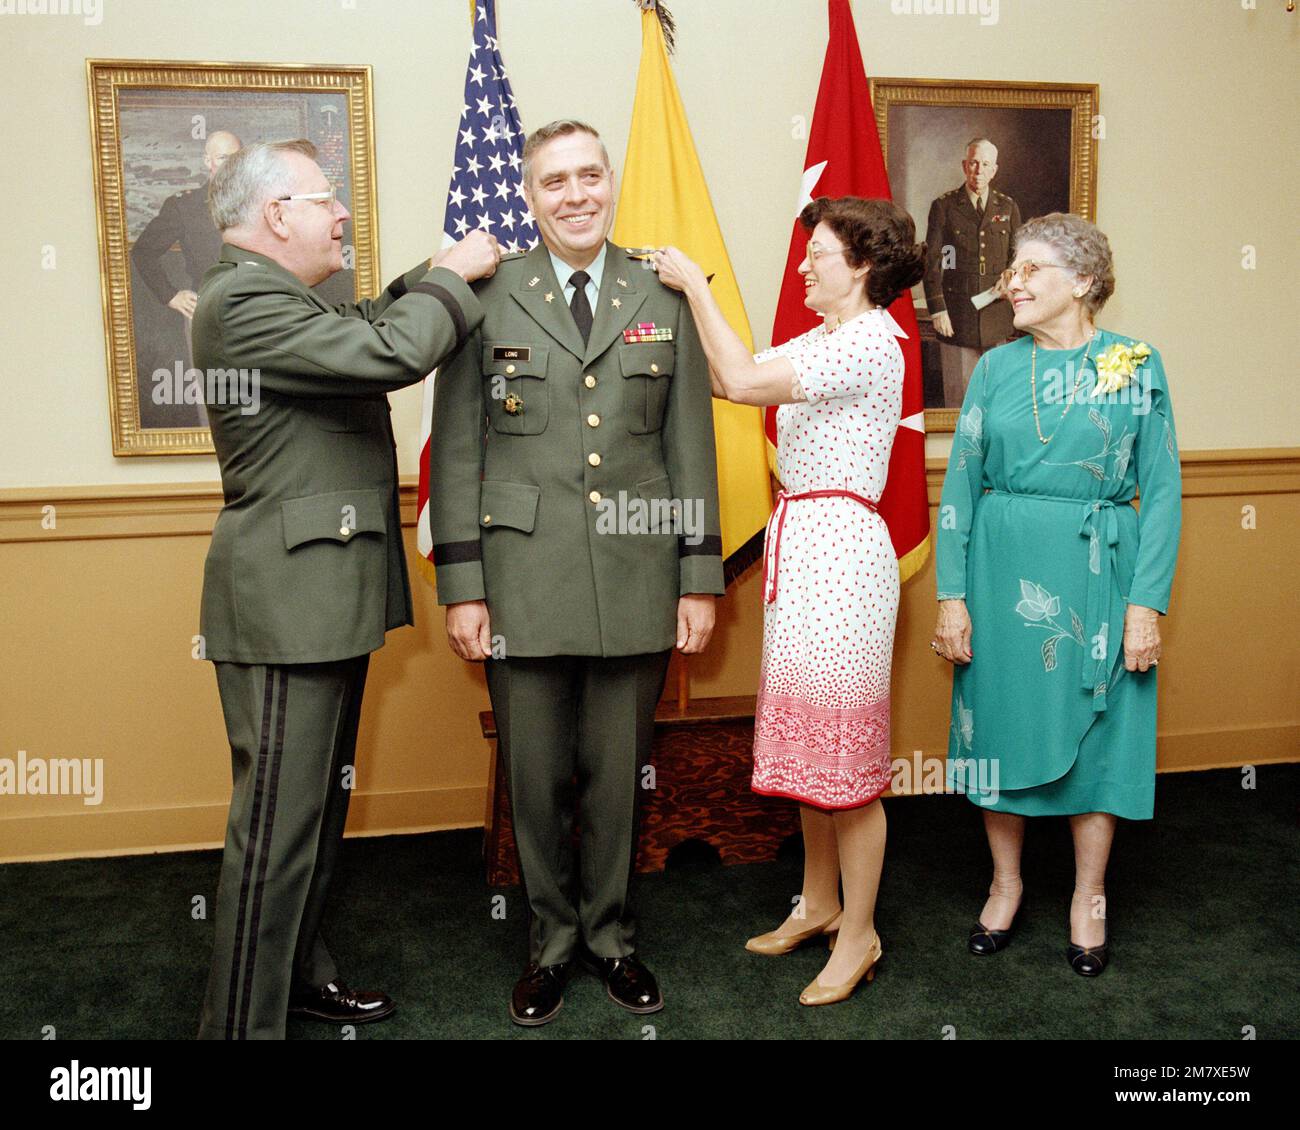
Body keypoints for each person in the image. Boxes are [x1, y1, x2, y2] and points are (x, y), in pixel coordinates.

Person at [192, 138, 500, 1039]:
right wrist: (450, 277)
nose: (341, 216)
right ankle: (241, 1028)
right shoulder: (240, 300)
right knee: (276, 836)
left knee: (313, 819)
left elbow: (367, 319)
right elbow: (388, 353)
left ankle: (297, 976)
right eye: (327, 200)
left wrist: (430, 273)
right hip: (289, 607)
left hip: (319, 600)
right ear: (276, 215)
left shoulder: (280, 298)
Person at [428, 119, 724, 1028]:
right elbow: (457, 453)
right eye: (555, 181)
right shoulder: (487, 294)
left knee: (617, 773)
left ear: (610, 181)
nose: (576, 195)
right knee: (535, 774)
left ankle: (613, 940)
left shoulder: (663, 292)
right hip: (519, 580)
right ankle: (550, 945)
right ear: (530, 194)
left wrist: (698, 576)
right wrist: (464, 585)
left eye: (589, 176)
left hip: (637, 577)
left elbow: (689, 448)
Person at [655, 195, 925, 1006]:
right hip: (804, 547)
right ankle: (817, 902)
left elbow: (739, 382)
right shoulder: (827, 337)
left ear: (865, 267)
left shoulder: (874, 341)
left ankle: (860, 933)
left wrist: (694, 287)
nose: (803, 264)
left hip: (842, 555)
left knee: (848, 764)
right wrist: (671, 310)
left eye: (819, 254)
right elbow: (716, 373)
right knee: (813, 751)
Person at [932, 212, 1182, 977]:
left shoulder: (1135, 362)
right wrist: (951, 594)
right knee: (997, 725)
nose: (1013, 281)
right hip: (999, 576)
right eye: (1010, 269)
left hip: (1101, 577)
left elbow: (1163, 491)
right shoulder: (996, 370)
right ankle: (1004, 886)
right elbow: (960, 487)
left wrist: (1146, 605)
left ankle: (1088, 897)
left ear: (1082, 280)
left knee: (1102, 735)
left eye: (1030, 269)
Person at [923, 138, 1022, 408]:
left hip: (998, 317)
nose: (979, 170)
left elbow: (1018, 256)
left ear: (994, 170)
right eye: (974, 163)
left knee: (999, 403)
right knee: (960, 403)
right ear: (965, 165)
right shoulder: (944, 206)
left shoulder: (1007, 207)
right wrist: (937, 309)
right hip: (957, 317)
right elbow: (932, 261)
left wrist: (1011, 278)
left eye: (986, 164)